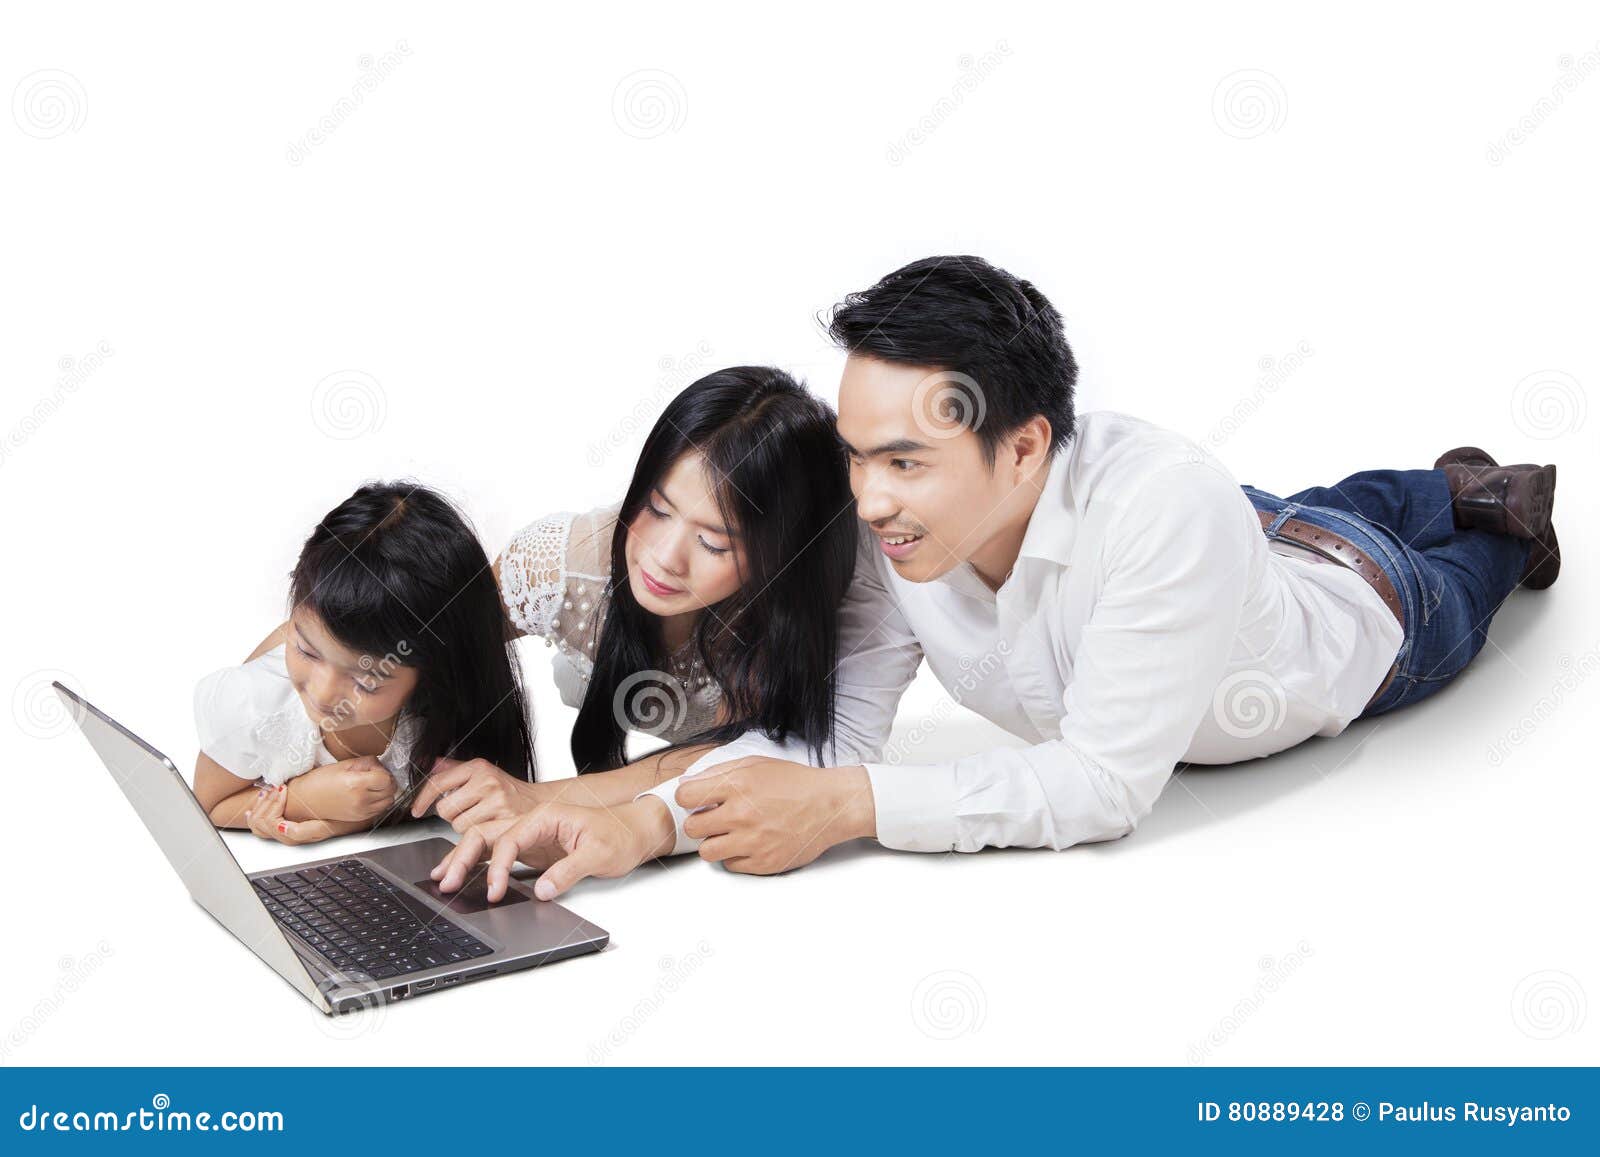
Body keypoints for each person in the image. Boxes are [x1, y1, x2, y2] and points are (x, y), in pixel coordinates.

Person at [435, 255, 1560, 899]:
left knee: (1441, 557)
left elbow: (1103, 786)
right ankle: (1432, 480)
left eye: (906, 463)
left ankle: (1488, 506)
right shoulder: (901, 528)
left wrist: (851, 812)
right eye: (858, 456)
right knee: (1312, 502)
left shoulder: (1164, 507)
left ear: (1021, 446)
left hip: (1360, 621)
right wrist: (644, 826)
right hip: (1236, 539)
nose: (866, 501)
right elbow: (835, 733)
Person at [413, 366, 860, 890]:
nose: (663, 559)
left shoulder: (800, 618)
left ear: (779, 560)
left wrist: (538, 797)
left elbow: (735, 760)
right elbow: (401, 636)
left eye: (714, 543)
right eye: (656, 507)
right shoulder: (567, 565)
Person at [191, 482, 537, 843]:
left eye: (366, 681)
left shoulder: (455, 712)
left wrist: (341, 822)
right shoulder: (255, 705)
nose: (324, 695)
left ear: (432, 673)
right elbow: (211, 802)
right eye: (306, 651)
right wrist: (302, 800)